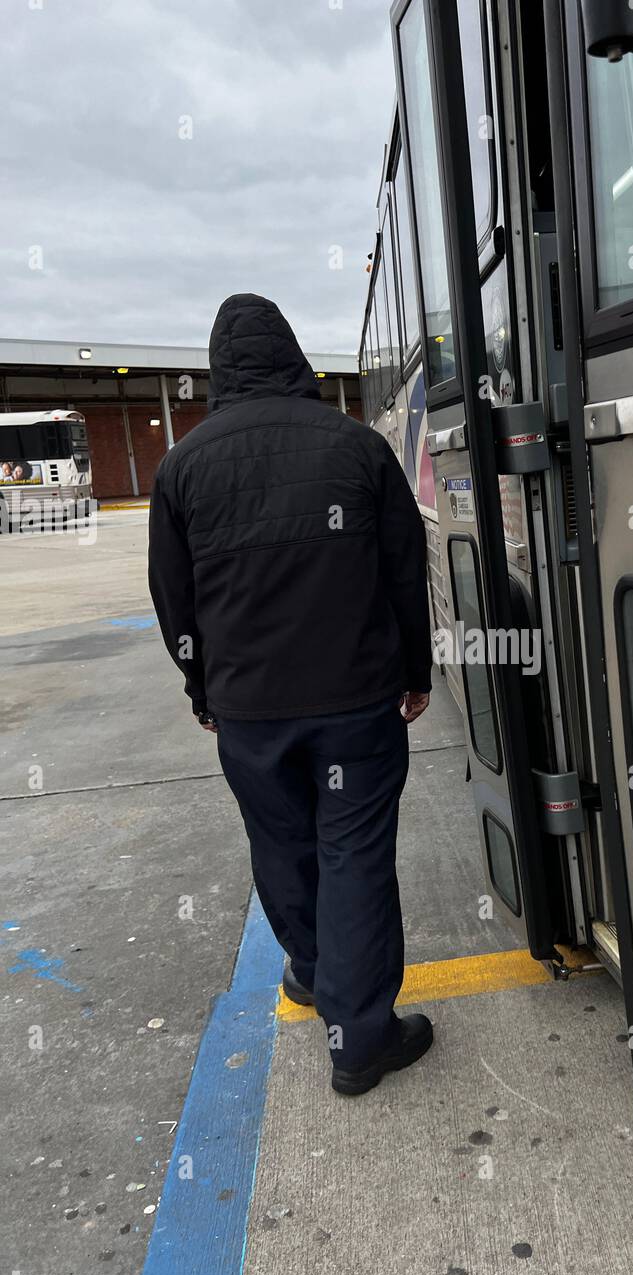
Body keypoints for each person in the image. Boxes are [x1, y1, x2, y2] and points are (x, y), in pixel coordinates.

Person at [148, 292, 434, 1095]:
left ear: (218, 369)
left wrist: (201, 689)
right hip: (355, 702)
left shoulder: (182, 465)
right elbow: (404, 573)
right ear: (294, 358)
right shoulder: (355, 448)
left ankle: (312, 973)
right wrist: (415, 672)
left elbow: (174, 598)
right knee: (354, 857)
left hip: (249, 709)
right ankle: (360, 1040)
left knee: (282, 845)